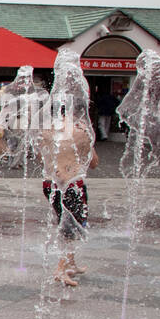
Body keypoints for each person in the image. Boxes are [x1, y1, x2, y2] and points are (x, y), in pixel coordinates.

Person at [41, 114, 99, 287]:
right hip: (71, 184)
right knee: (72, 227)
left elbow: (41, 157)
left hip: (49, 183)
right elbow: (94, 162)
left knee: (64, 222)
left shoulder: (48, 129)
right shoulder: (80, 132)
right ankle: (60, 269)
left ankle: (71, 263)